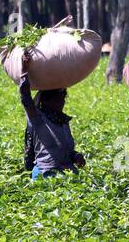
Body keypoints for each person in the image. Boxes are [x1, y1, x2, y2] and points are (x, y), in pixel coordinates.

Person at [20, 51, 84, 179]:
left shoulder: (63, 121)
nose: (62, 101)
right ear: (46, 100)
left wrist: (76, 156)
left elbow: (65, 151)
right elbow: (25, 98)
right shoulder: (38, 118)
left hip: (68, 174)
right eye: (58, 98)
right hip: (46, 173)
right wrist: (24, 72)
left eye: (63, 98)